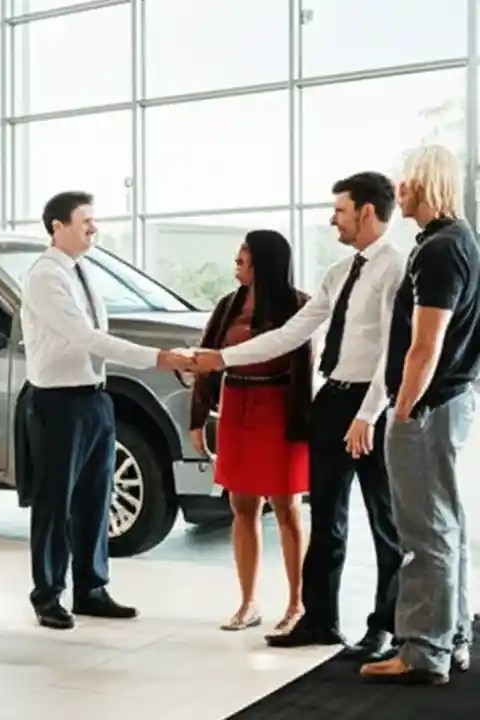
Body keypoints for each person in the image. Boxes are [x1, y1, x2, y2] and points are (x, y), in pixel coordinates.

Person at [192, 172, 405, 661]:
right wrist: (224, 359)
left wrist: (368, 414)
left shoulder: (395, 268)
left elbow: (391, 352)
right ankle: (319, 620)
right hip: (332, 400)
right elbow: (291, 334)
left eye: (340, 210)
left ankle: (384, 629)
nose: (333, 219)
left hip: (369, 406)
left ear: (366, 212)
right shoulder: (340, 272)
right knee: (326, 518)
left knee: (384, 523)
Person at [21, 190, 190, 630]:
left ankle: (91, 589)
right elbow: (85, 337)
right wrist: (157, 358)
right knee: (55, 503)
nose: (94, 229)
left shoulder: (81, 271)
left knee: (96, 498)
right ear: (58, 227)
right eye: (86, 222)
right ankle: (47, 595)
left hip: (94, 397)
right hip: (59, 402)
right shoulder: (45, 276)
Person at [361, 145, 480, 685]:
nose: (398, 189)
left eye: (406, 180)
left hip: (429, 407)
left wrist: (405, 407)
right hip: (449, 402)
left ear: (427, 183)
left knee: (424, 530)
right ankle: (452, 637)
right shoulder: (459, 241)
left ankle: (423, 650)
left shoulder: (438, 249)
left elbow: (425, 344)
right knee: (445, 526)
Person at [188, 231, 311, 634]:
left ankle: (296, 603)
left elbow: (306, 368)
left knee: (287, 508)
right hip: (237, 407)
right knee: (241, 506)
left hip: (279, 410)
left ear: (264, 262)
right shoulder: (228, 305)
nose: (236, 266)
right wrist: (197, 418)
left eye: (243, 259)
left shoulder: (299, 306)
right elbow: (206, 359)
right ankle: (247, 602)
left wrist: (304, 426)